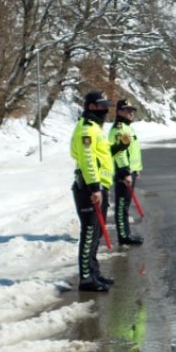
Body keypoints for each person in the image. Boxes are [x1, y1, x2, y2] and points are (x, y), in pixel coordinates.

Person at [71, 90, 116, 292]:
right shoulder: (86, 130)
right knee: (89, 232)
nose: (106, 110)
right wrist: (94, 187)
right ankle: (86, 278)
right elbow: (88, 160)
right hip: (89, 189)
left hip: (99, 186)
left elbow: (102, 156)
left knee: (96, 232)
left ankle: (94, 272)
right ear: (91, 107)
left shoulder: (96, 129)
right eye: (101, 106)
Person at [109, 99, 143, 246]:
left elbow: (132, 151)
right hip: (124, 173)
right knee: (122, 205)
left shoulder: (127, 128)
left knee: (125, 204)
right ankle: (124, 236)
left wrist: (136, 170)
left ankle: (126, 233)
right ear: (119, 111)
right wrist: (125, 173)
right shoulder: (119, 129)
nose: (131, 113)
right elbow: (120, 153)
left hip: (130, 172)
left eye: (132, 110)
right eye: (127, 110)